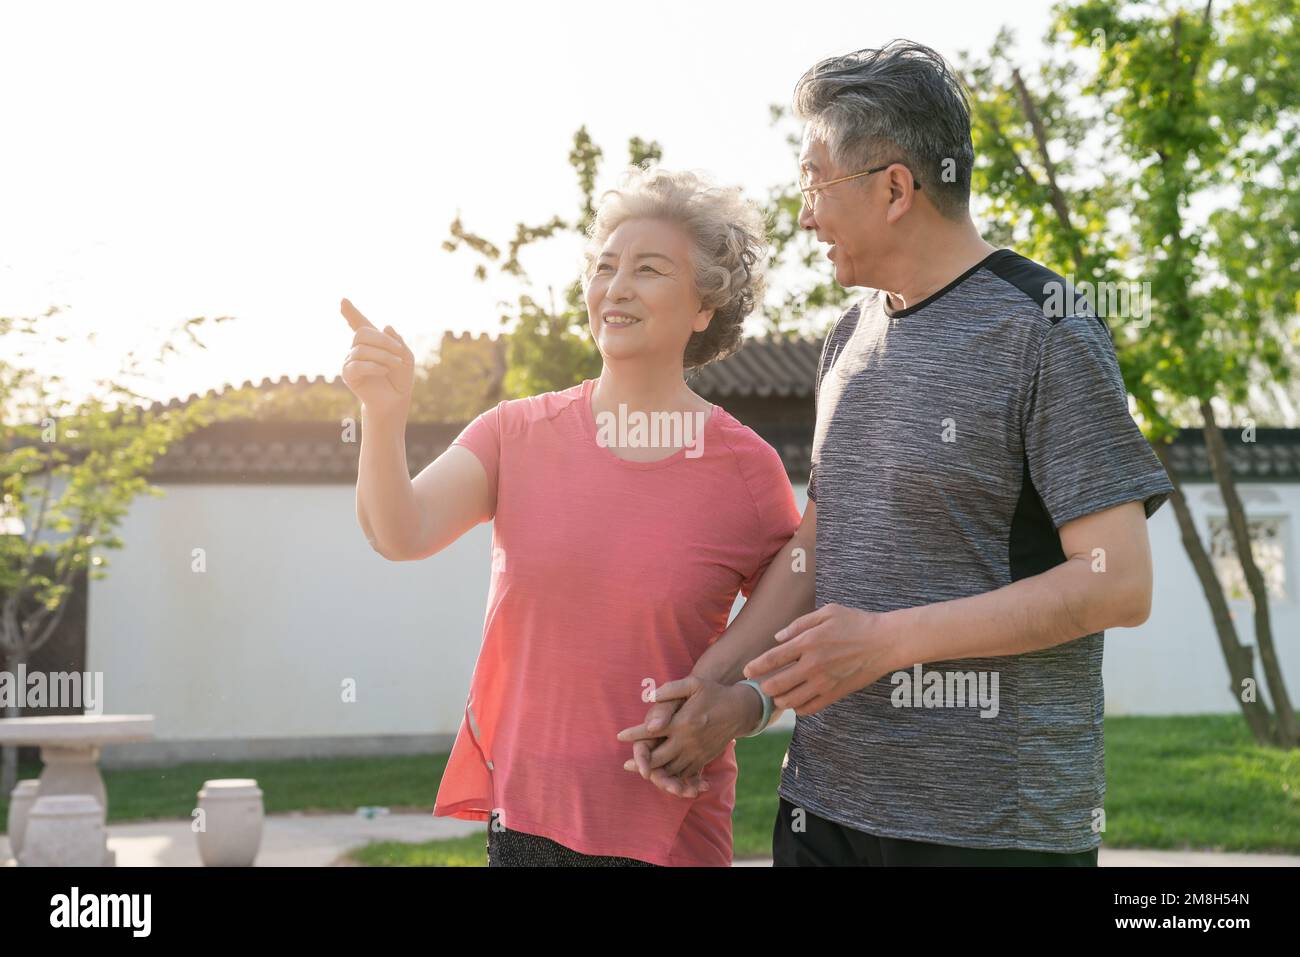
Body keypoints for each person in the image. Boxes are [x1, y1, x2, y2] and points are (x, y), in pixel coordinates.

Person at [619, 39, 1175, 866]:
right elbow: (819, 540)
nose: (805, 213)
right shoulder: (849, 335)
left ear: (894, 189)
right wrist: (716, 682)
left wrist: (887, 640)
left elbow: (1119, 581)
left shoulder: (1048, 328)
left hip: (988, 828)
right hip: (824, 809)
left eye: (815, 182)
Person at [342, 165, 801, 866]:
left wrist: (746, 706)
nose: (616, 287)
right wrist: (382, 414)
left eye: (648, 269)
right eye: (604, 267)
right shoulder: (514, 433)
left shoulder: (745, 468)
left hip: (667, 829)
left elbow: (798, 618)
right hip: (524, 824)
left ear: (704, 307)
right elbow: (399, 531)